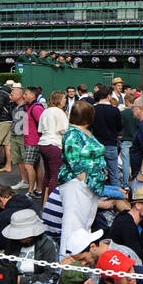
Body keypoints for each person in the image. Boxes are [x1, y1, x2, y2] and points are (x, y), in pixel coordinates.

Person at [57, 99, 110, 257]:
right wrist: (86, 180)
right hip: (78, 185)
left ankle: (82, 259)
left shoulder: (84, 131)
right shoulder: (73, 134)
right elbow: (74, 161)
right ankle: (67, 261)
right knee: (73, 225)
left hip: (90, 186)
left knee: (85, 224)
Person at [1, 209, 61, 284]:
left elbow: (52, 276)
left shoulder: (48, 245)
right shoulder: (12, 243)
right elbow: (5, 264)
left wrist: (22, 280)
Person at [38, 90, 69, 203]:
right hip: (54, 145)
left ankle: (45, 202)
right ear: (59, 100)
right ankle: (52, 203)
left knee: (48, 175)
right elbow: (62, 130)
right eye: (64, 98)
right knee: (56, 176)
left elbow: (40, 130)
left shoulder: (45, 111)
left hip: (43, 144)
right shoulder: (59, 112)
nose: (65, 100)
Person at [92, 89, 123, 188]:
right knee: (114, 173)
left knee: (97, 173)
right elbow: (119, 127)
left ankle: (98, 196)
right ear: (109, 96)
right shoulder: (114, 110)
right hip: (111, 143)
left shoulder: (93, 109)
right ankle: (116, 197)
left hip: (96, 144)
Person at [20, 84, 45, 195]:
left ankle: (31, 191)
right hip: (31, 140)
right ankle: (38, 189)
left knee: (28, 166)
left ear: (33, 95)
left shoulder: (36, 108)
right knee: (36, 165)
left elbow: (43, 124)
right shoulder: (30, 106)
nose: (24, 95)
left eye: (26, 93)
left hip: (33, 141)